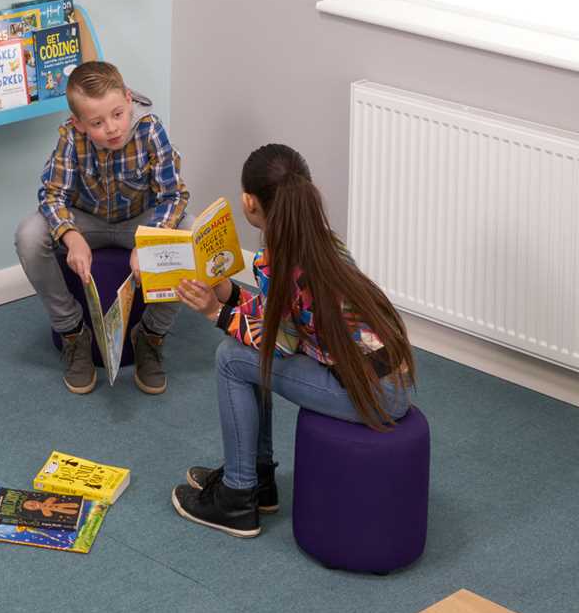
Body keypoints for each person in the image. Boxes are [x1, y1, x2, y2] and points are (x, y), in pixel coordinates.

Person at [172, 144, 415, 537]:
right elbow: (287, 316)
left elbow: (279, 344)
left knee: (231, 358)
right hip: (388, 381)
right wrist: (230, 295)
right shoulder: (321, 242)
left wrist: (215, 313)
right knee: (244, 353)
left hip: (370, 394)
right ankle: (258, 478)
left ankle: (238, 496)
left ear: (249, 202)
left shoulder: (279, 261)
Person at [15, 61, 190, 395]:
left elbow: (173, 195)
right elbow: (51, 195)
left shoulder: (150, 130)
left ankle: (151, 334)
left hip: (138, 222)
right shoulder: (70, 138)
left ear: (128, 99)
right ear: (78, 123)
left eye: (118, 114)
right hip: (88, 222)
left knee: (189, 231)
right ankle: (72, 331)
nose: (111, 128)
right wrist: (71, 237)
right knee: (29, 234)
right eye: (97, 123)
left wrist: (150, 243)